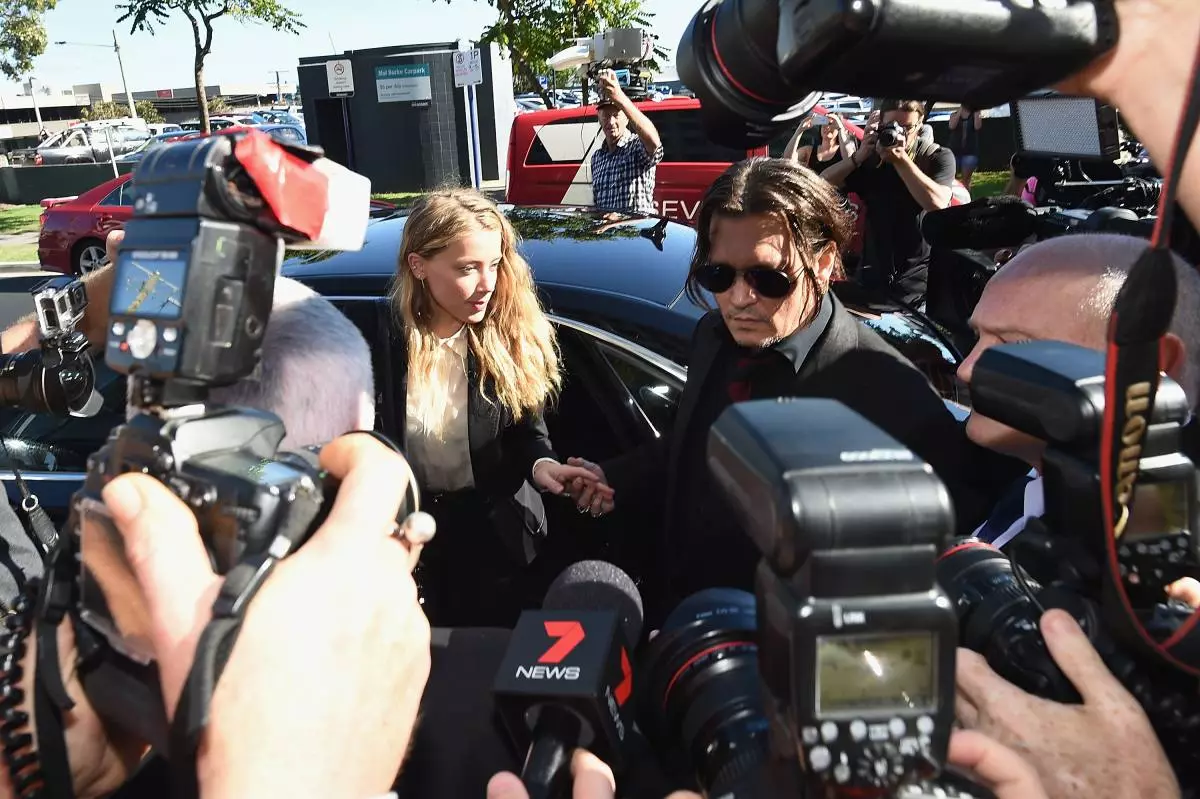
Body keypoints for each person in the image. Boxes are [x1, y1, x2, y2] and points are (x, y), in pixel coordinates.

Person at [566, 157, 1020, 622]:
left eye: (767, 279)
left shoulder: (889, 394)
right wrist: (611, 475)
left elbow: (934, 567)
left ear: (823, 264)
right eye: (719, 276)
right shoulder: (713, 337)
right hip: (688, 624)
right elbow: (693, 443)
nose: (739, 299)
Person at [390, 188, 610, 627]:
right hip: (406, 544)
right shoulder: (385, 345)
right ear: (418, 266)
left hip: (497, 543)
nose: (488, 283)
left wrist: (543, 466)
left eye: (493, 264)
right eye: (467, 268)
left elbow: (529, 433)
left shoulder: (506, 336)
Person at [958, 234, 1200, 546]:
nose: (965, 370)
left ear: (1147, 364)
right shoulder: (1038, 481)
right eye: (978, 336)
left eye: (1016, 345)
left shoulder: (1158, 543)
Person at [822, 99, 956, 307]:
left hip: (915, 280)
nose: (899, 133)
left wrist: (901, 160)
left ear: (920, 124)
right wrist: (858, 157)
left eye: (907, 128)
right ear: (880, 124)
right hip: (871, 275)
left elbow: (937, 204)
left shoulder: (935, 156)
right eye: (891, 127)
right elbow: (822, 184)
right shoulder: (871, 160)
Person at [590, 69, 664, 216]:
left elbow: (654, 145)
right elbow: (598, 204)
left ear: (627, 117)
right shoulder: (597, 158)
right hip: (608, 237)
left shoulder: (636, 147)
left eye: (616, 115)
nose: (610, 122)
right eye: (605, 116)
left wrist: (619, 97)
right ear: (599, 118)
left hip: (636, 236)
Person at [782, 113, 856, 176]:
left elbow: (850, 161)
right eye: (823, 123)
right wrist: (799, 131)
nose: (826, 127)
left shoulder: (843, 150)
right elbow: (788, 160)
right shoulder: (809, 151)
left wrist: (840, 129)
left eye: (830, 124)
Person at [948, 105, 983, 188]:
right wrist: (959, 112)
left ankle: (967, 198)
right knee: (951, 179)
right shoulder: (954, 115)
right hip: (954, 150)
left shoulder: (975, 115)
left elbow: (977, 127)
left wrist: (976, 113)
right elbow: (952, 126)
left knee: (966, 180)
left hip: (970, 151)